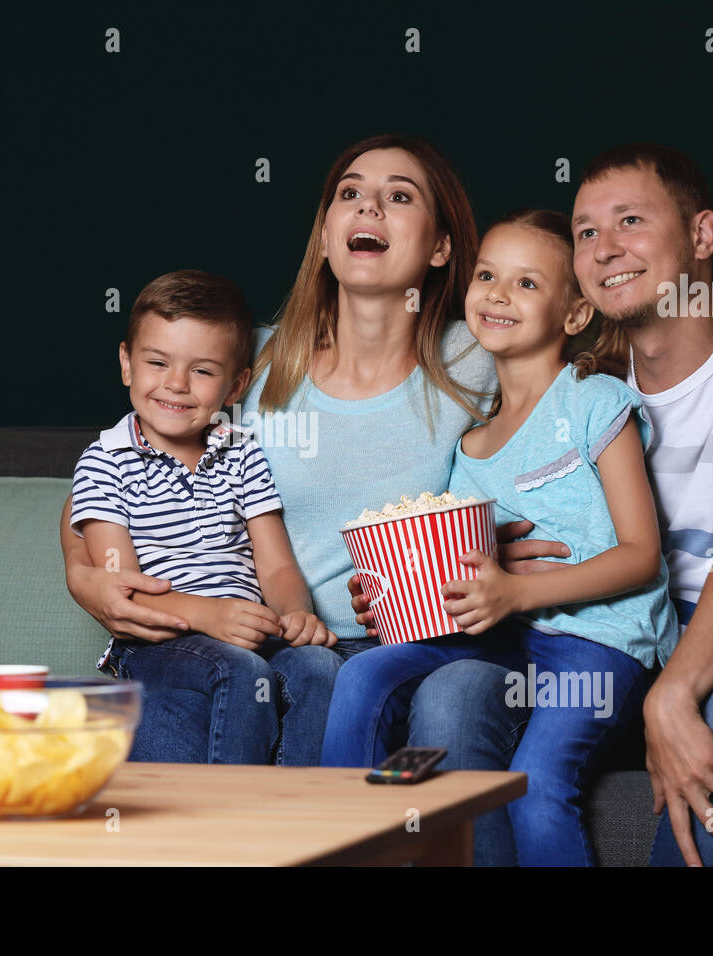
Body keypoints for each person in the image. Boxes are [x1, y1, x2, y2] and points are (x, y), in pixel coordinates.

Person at [396, 144, 713, 866]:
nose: (606, 250)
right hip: (595, 659)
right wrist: (489, 560)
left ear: (701, 236)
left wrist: (673, 695)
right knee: (455, 689)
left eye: (630, 221)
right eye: (586, 233)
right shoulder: (584, 390)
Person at [60, 135, 568, 765]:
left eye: (399, 196)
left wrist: (512, 544)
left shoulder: (479, 355)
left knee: (448, 701)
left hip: (420, 647)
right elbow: (119, 461)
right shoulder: (251, 362)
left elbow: (581, 423)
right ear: (326, 235)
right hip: (280, 648)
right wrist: (84, 577)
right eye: (349, 193)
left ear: (440, 246)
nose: (369, 208)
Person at [323, 210, 679, 866]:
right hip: (507, 644)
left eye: (525, 284)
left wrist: (513, 592)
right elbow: (462, 574)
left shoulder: (592, 400)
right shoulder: (470, 446)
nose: (496, 293)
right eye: (487, 274)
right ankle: (345, 846)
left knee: (536, 784)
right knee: (365, 672)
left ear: (573, 316)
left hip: (601, 648)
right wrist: (394, 590)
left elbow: (641, 555)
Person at [70, 270, 337, 764]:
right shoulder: (105, 460)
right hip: (157, 642)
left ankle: (297, 813)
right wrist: (209, 615)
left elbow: (274, 562)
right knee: (240, 672)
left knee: (320, 667)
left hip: (245, 630)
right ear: (127, 363)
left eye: (203, 371)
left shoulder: (241, 452)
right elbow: (121, 583)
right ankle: (233, 823)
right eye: (157, 362)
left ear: (236, 385)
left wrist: (297, 613)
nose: (176, 384)